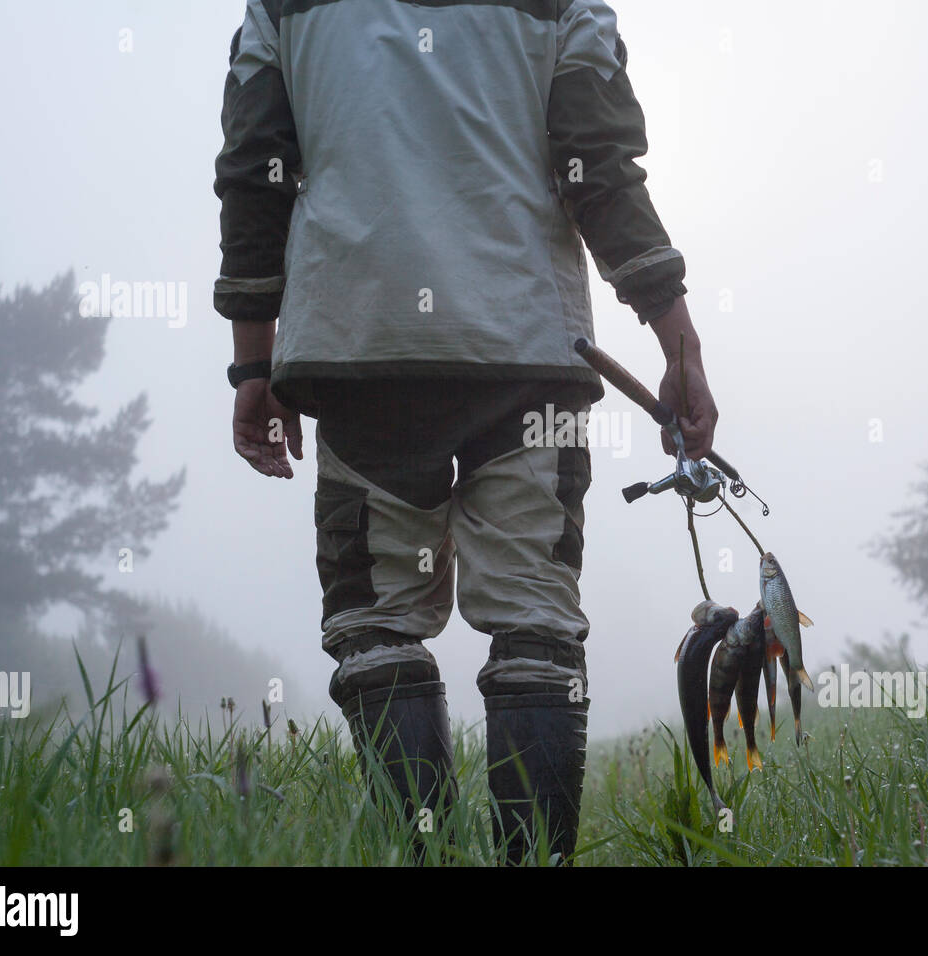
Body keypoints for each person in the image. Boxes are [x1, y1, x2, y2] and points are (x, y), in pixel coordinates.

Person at [213, 0, 719, 864]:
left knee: (377, 627)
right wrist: (677, 339)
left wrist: (253, 365)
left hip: (360, 351)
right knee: (537, 623)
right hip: (524, 353)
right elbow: (598, 167)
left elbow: (254, 173)